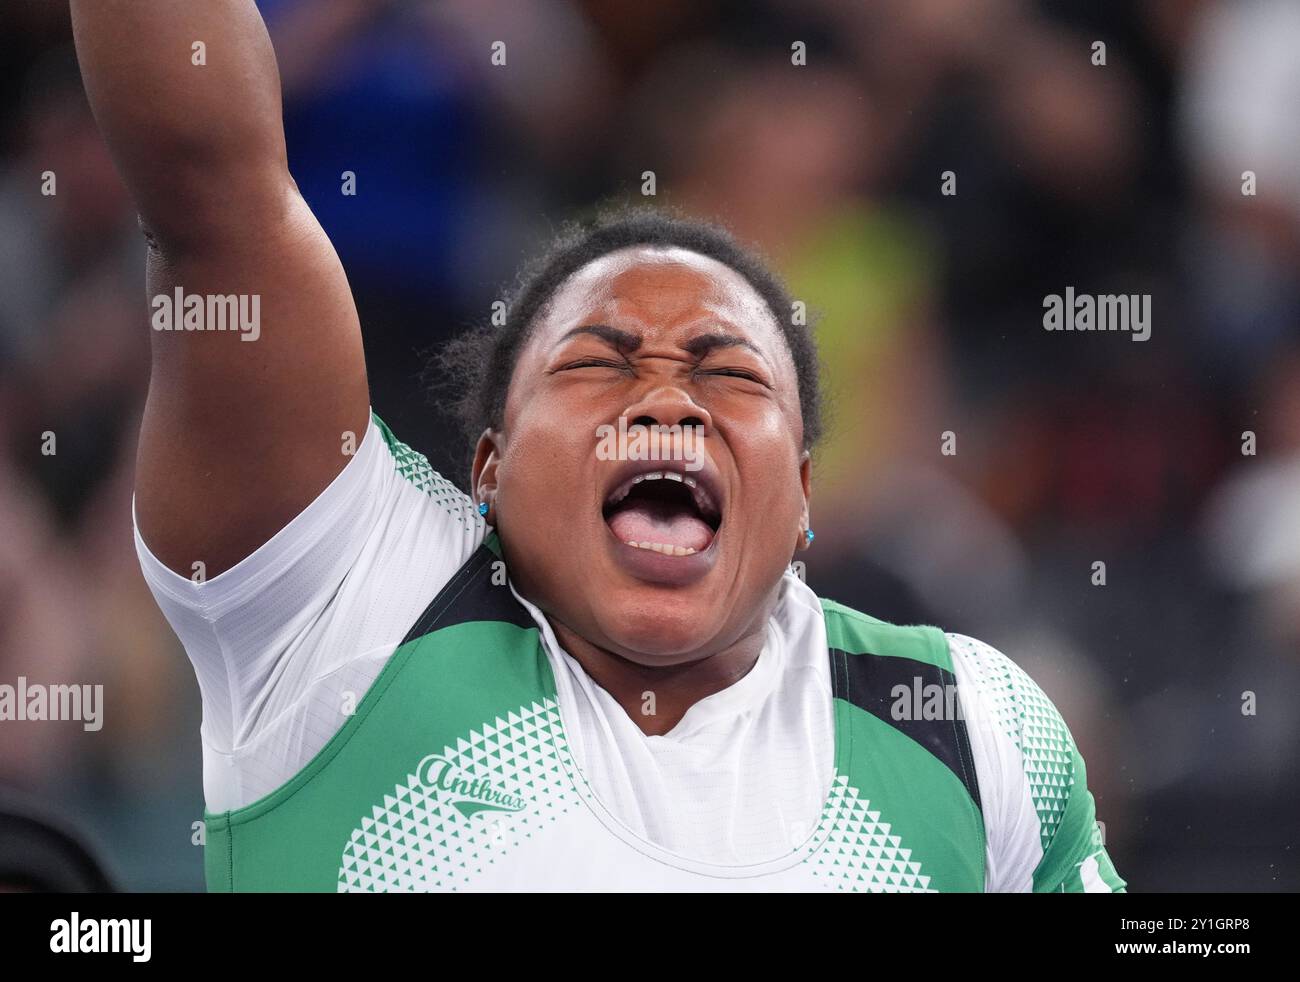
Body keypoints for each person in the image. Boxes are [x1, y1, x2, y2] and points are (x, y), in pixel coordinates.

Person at [71, 0, 1125, 892]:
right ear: (486, 466)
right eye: (598, 362)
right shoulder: (350, 605)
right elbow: (207, 177)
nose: (666, 400)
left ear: (802, 489)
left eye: (730, 372)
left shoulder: (968, 725)